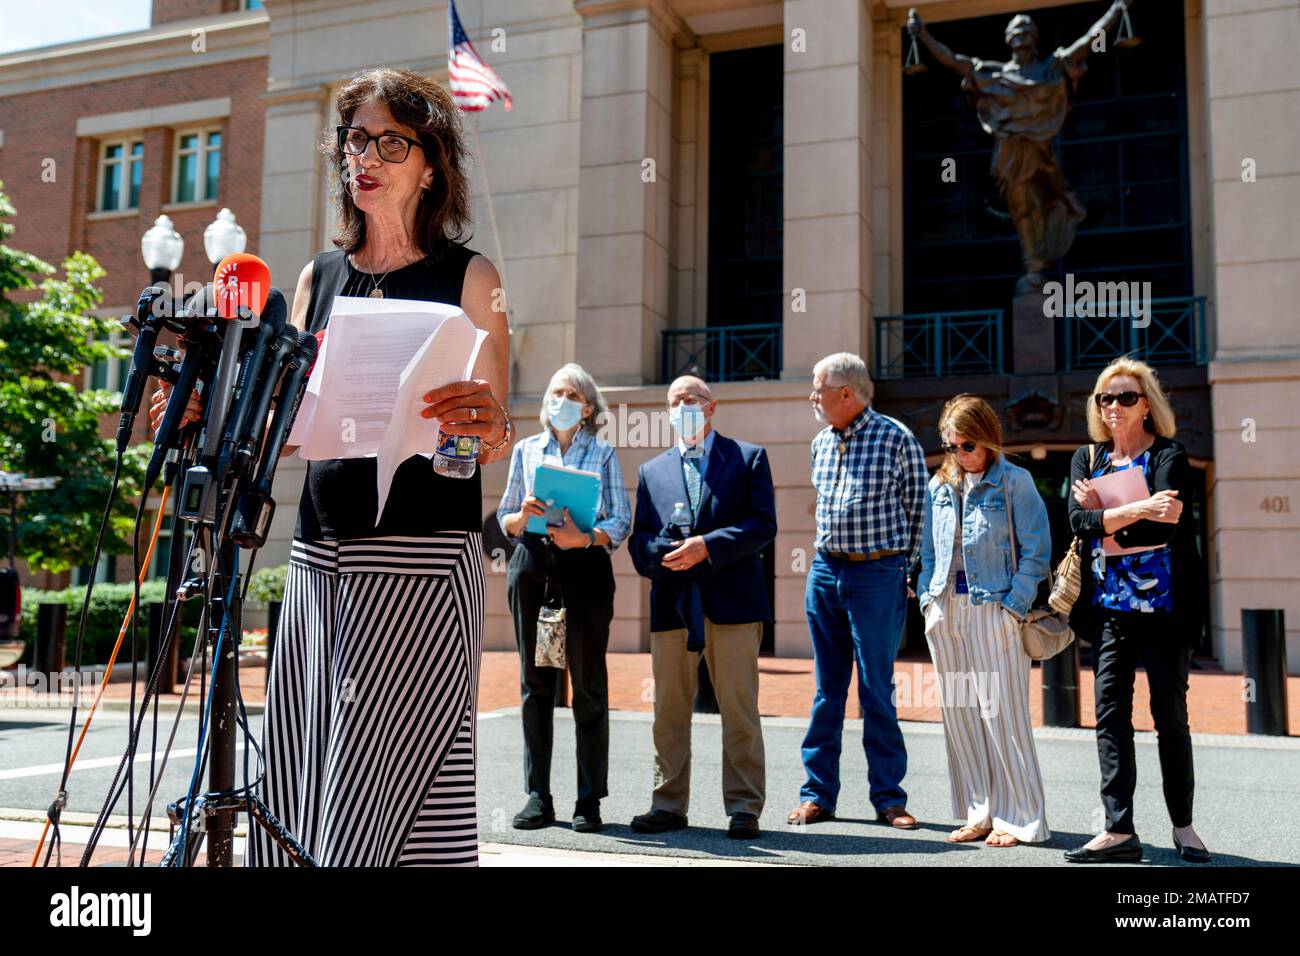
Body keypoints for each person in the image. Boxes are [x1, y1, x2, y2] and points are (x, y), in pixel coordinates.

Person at [151, 68, 513, 866]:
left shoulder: (472, 278)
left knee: (393, 771)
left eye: (391, 140)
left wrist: (487, 425)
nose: (367, 156)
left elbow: (495, 433)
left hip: (423, 563)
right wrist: (206, 412)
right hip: (322, 560)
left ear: (430, 163)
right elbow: (288, 424)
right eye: (355, 139)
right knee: (308, 765)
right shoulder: (320, 276)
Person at [1063, 357, 1210, 864]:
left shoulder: (1170, 454)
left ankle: (1184, 827)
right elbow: (1078, 522)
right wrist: (1136, 509)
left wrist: (1107, 520)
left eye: (1126, 397)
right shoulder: (1087, 458)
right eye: (1105, 398)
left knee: (1170, 716)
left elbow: (1163, 530)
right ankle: (1118, 829)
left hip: (1164, 609)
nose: (1114, 406)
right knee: (1109, 715)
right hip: (1109, 610)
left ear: (1147, 404)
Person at [627, 376, 777, 840]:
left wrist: (706, 546)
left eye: (690, 400)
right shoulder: (652, 471)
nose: (682, 408)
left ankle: (744, 807)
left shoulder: (748, 458)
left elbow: (762, 526)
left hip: (732, 603)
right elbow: (639, 541)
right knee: (668, 711)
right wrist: (661, 555)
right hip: (673, 605)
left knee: (739, 709)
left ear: (711, 408)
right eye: (674, 402)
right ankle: (668, 802)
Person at [788, 353, 927, 829]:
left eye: (818, 388)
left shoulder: (896, 438)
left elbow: (918, 513)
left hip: (877, 575)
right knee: (827, 691)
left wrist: (905, 571)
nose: (812, 396)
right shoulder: (820, 442)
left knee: (875, 690)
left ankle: (889, 799)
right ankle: (817, 795)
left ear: (846, 394)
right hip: (825, 572)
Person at [496, 364, 630, 833]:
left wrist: (586, 536)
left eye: (570, 394)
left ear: (588, 407)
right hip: (533, 568)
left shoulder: (605, 452)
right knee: (537, 684)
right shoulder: (526, 450)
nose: (560, 400)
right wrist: (519, 517)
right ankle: (538, 795)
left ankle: (589, 799)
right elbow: (505, 515)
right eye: (554, 392)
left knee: (588, 685)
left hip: (585, 572)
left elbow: (620, 520)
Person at [916, 394, 1052, 848]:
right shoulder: (938, 487)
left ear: (989, 440)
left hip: (993, 608)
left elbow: (1036, 553)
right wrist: (926, 602)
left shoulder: (1015, 482)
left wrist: (1013, 605)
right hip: (945, 612)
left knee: (1003, 714)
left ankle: (1019, 818)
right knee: (960, 714)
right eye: (950, 446)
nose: (959, 455)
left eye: (967, 446)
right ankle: (981, 811)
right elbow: (930, 554)